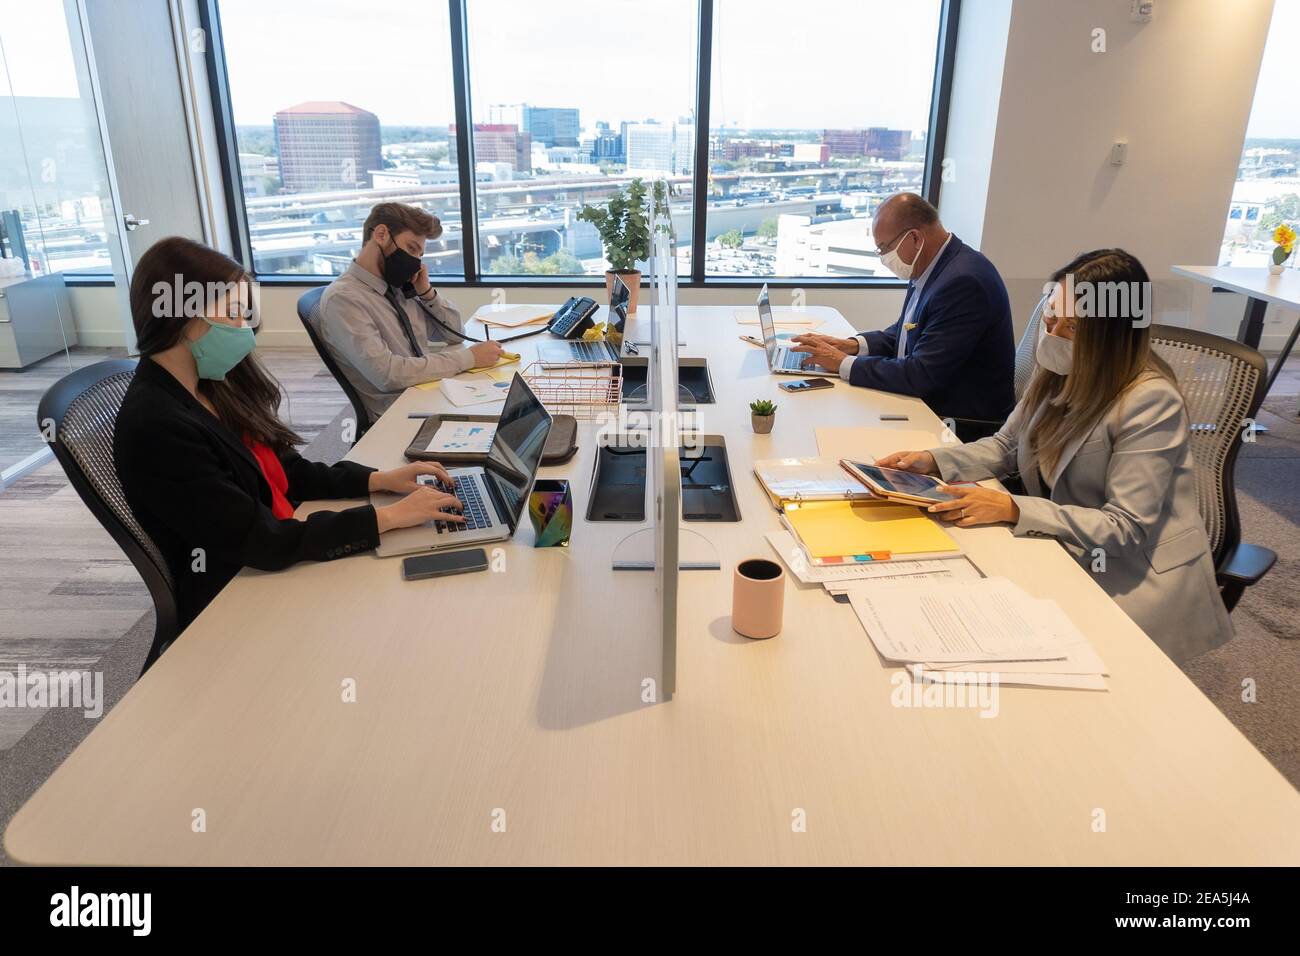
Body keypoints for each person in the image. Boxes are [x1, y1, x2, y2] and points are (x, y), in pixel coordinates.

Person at [876, 248, 1231, 662]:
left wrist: (1011, 508)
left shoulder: (1150, 402)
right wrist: (934, 461)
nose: (1054, 333)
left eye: (1073, 327)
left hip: (1134, 574)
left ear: (1112, 334)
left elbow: (1127, 527)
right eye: (1050, 319)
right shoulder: (1058, 369)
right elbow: (1007, 446)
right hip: (1065, 544)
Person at [114, 236, 470, 637]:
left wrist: (378, 480)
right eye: (232, 315)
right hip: (239, 591)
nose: (244, 330)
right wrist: (386, 518)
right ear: (183, 317)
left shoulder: (211, 382)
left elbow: (289, 471)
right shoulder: (157, 426)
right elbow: (261, 542)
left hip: (277, 551)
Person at [790, 193, 1014, 440]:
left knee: (835, 430)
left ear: (915, 238)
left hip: (958, 424)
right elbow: (905, 332)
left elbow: (921, 375)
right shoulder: (932, 264)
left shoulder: (963, 282)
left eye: (884, 248)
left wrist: (843, 363)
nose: (883, 256)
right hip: (928, 404)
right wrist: (852, 346)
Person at [318, 202, 502, 423]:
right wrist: (469, 358)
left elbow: (453, 333)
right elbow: (387, 374)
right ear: (381, 234)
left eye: (420, 255)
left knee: (505, 405)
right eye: (411, 249)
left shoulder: (397, 287)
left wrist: (426, 292)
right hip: (399, 413)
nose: (415, 262)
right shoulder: (344, 298)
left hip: (427, 391)